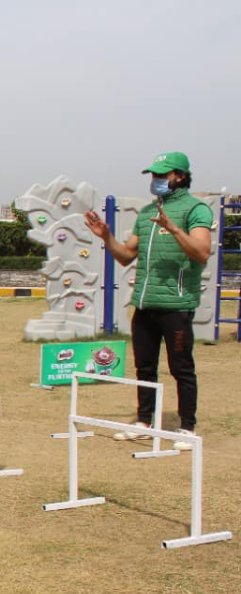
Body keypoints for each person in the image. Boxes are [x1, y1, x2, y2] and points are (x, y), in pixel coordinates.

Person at [85, 152, 213, 451]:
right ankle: (144, 422)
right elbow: (126, 255)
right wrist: (107, 237)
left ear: (179, 176)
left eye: (161, 175)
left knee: (181, 367)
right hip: (144, 305)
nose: (155, 181)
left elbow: (202, 252)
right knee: (144, 368)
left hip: (177, 306)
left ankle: (187, 428)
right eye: (153, 175)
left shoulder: (196, 209)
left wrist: (175, 229)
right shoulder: (147, 213)